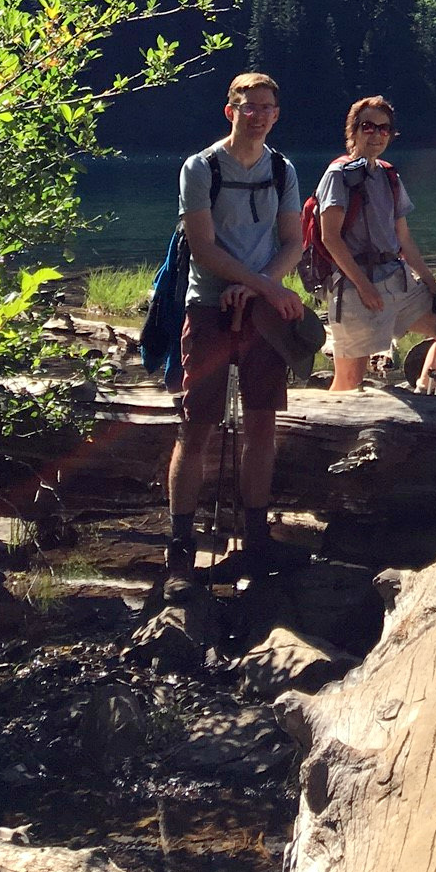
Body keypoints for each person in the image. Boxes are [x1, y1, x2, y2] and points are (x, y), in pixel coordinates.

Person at [165, 71, 307, 585]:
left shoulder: (282, 168)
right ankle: (180, 544)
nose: (261, 115)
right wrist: (259, 285)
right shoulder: (200, 167)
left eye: (269, 107)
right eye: (250, 107)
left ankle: (256, 538)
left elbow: (294, 241)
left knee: (262, 423)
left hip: (261, 309)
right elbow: (203, 249)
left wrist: (262, 286)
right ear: (231, 111)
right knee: (196, 425)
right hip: (208, 307)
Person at [315, 95, 436, 394]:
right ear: (355, 130)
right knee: (348, 382)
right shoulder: (337, 175)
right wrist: (363, 286)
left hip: (398, 283)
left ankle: (424, 392)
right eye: (368, 126)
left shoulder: (388, 175)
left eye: (384, 129)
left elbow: (404, 238)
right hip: (355, 288)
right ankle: (323, 429)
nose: (376, 135)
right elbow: (329, 237)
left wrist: (430, 283)